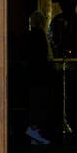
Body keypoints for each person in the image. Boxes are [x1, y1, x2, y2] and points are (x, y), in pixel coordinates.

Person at [23, 10, 54, 145]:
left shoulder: (29, 36)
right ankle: (34, 131)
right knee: (39, 103)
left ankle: (33, 132)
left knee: (33, 102)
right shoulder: (40, 35)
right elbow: (42, 56)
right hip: (40, 74)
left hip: (31, 74)